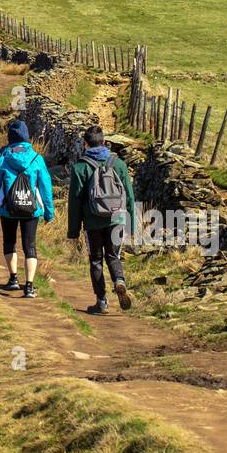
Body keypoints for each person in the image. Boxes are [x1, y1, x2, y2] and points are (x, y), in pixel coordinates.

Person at [67, 125, 135, 314]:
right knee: (113, 256)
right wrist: (132, 226)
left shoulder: (80, 167)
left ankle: (102, 301)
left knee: (96, 260)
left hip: (93, 222)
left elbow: (75, 202)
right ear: (105, 142)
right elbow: (129, 196)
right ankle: (119, 281)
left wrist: (73, 230)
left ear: (85, 144)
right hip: (117, 219)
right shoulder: (118, 164)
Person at [0, 121, 54, 297]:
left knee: (9, 241)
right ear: (26, 136)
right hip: (31, 210)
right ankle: (29, 286)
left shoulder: (2, 158)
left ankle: (13, 279)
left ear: (10, 138)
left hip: (8, 209)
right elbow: (46, 187)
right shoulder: (36, 159)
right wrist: (48, 212)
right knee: (30, 245)